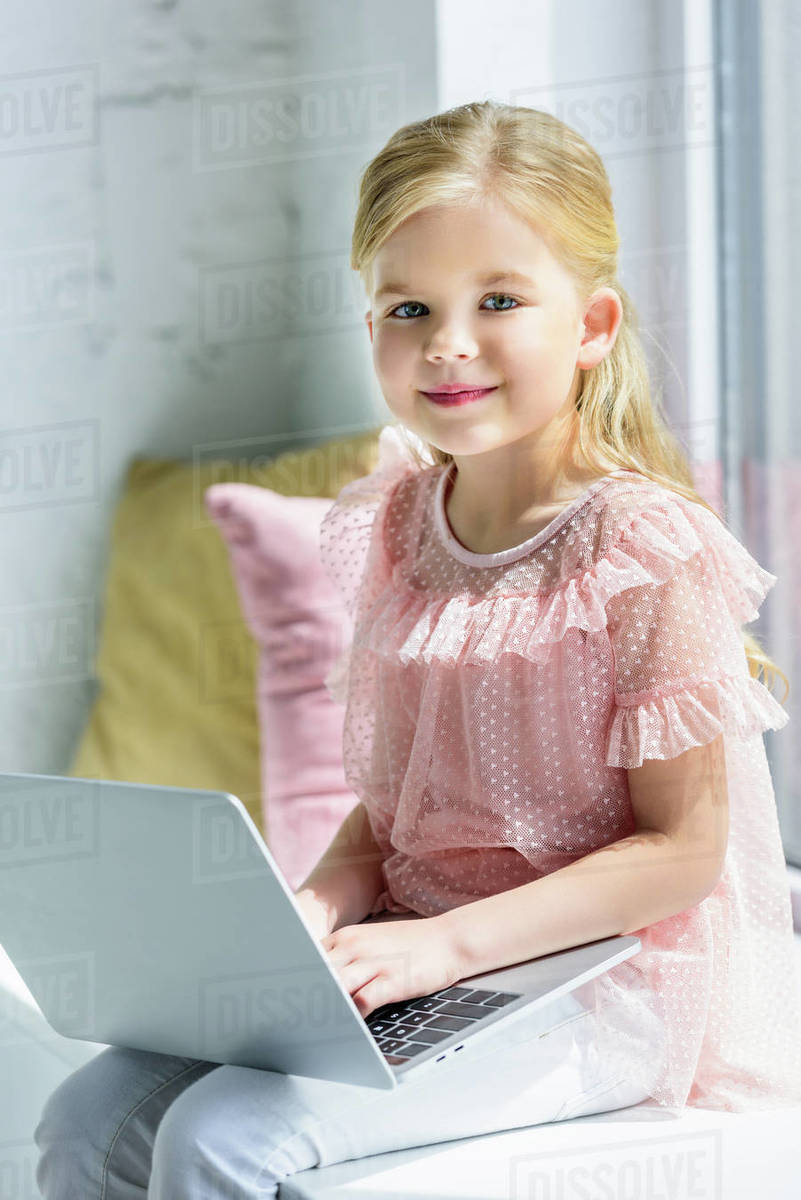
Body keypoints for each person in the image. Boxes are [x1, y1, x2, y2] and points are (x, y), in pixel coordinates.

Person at [34, 99, 801, 1199]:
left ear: (591, 326)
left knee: (225, 1137)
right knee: (85, 1115)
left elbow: (681, 852)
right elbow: (396, 810)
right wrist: (317, 906)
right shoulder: (400, 522)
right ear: (371, 328)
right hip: (425, 954)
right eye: (410, 307)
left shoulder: (640, 547)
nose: (448, 343)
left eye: (498, 301)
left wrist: (443, 951)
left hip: (595, 984)